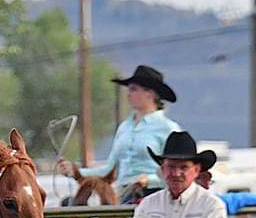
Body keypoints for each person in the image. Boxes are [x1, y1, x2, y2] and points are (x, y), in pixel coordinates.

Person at [59, 65, 180, 203]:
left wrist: (148, 180)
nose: (128, 94)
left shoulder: (168, 128)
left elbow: (178, 172)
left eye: (133, 89)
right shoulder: (124, 127)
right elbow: (110, 169)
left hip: (156, 195)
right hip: (123, 194)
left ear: (150, 93)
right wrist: (76, 172)